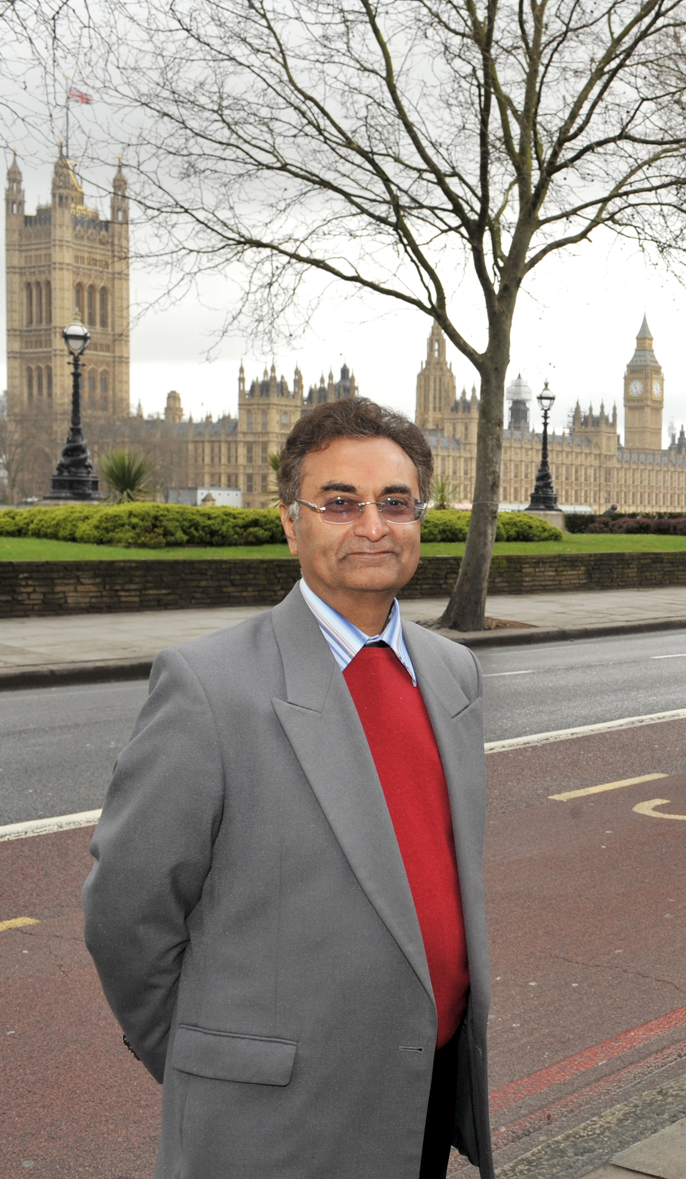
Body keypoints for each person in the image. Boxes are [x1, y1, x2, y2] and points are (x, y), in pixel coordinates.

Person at [83, 398, 494, 1179]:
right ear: (289, 522)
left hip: (425, 1096)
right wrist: (213, 1061)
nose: (372, 525)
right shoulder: (207, 687)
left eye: (395, 502)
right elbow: (126, 909)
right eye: (340, 502)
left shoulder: (453, 673)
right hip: (273, 1125)